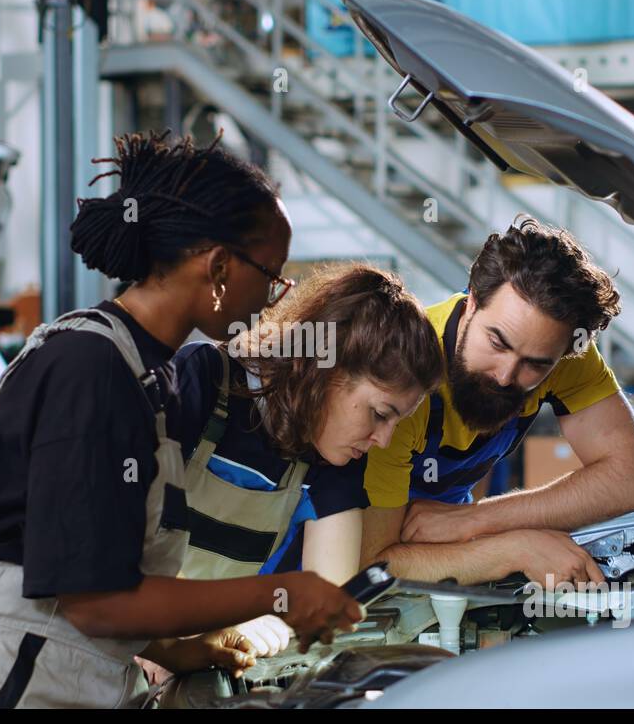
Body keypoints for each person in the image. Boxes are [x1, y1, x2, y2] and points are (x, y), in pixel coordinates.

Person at [0, 130, 360, 709]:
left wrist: (176, 650)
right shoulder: (92, 367)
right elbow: (94, 601)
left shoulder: (147, 374)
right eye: (272, 275)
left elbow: (86, 565)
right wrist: (281, 593)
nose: (275, 298)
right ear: (220, 266)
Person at [361, 215, 634, 587]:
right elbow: (371, 565)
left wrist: (476, 521)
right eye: (498, 343)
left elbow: (630, 481)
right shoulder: (405, 378)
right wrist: (514, 549)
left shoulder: (562, 352)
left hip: (448, 548)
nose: (505, 376)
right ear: (471, 302)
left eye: (535, 364)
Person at [167, 263, 443, 656]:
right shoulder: (204, 381)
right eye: (380, 414)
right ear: (324, 371)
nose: (383, 440)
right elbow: (116, 540)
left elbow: (326, 604)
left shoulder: (334, 458)